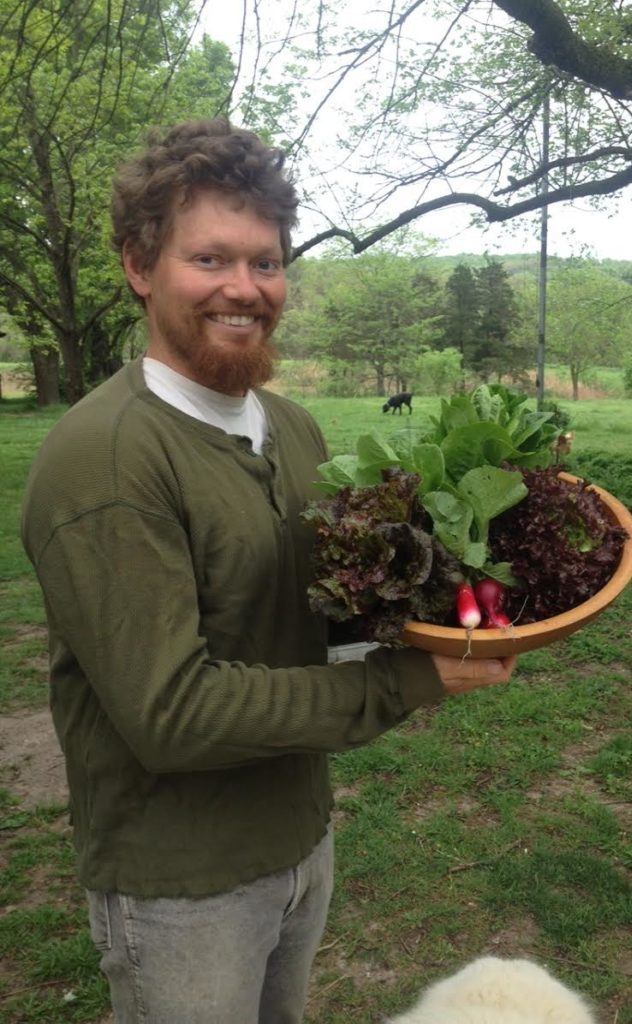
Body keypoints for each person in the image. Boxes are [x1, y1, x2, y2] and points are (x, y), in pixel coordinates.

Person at [20, 118, 516, 1024]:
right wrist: (406, 682)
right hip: (182, 885)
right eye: (209, 259)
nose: (244, 288)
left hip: (298, 838)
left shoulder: (290, 427)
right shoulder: (107, 461)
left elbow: (321, 606)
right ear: (140, 266)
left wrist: (464, 600)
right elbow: (173, 715)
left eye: (266, 262)